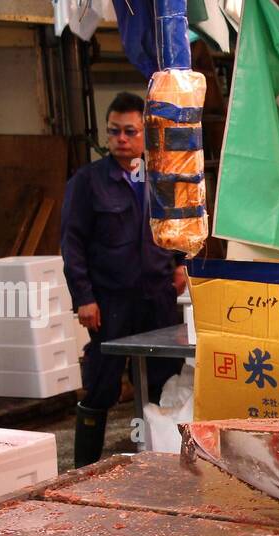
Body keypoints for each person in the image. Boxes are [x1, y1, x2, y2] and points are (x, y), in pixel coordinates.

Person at [61, 91, 187, 467]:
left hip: (157, 297)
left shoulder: (162, 179)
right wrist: (83, 297)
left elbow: (179, 226)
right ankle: (82, 470)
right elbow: (72, 244)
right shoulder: (88, 182)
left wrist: (181, 264)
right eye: (114, 131)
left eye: (129, 131)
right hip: (110, 301)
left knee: (166, 382)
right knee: (102, 384)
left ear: (145, 133)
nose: (120, 139)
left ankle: (164, 463)